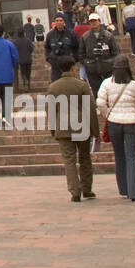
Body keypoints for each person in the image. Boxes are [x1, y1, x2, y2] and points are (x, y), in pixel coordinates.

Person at [47, 56, 99, 201]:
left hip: (63, 127)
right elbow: (91, 108)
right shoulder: (81, 85)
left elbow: (50, 110)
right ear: (73, 68)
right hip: (82, 126)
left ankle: (75, 192)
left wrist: (53, 129)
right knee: (84, 158)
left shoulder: (53, 87)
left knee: (69, 160)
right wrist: (95, 130)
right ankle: (87, 188)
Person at [97, 57, 135, 202]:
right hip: (131, 122)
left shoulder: (107, 83)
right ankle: (134, 192)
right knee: (131, 157)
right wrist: (132, 112)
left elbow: (100, 102)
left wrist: (107, 114)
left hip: (114, 123)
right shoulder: (133, 84)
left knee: (119, 155)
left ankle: (123, 189)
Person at [80, 13, 122, 96]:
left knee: (109, 91)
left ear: (99, 21)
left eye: (95, 21)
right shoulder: (85, 37)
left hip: (107, 69)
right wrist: (87, 63)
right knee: (97, 92)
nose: (93, 23)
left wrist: (110, 63)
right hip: (92, 69)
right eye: (91, 21)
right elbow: (81, 53)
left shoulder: (108, 36)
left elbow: (116, 52)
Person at [44, 14, 81, 83]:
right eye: (57, 21)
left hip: (69, 67)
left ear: (64, 22)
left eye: (61, 20)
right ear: (54, 22)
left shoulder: (71, 34)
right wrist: (49, 58)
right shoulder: (50, 35)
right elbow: (47, 48)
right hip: (56, 66)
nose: (59, 22)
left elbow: (77, 47)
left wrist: (73, 59)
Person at [12, 27, 35, 91]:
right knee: (28, 73)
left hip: (21, 60)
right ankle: (28, 85)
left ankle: (25, 81)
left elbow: (14, 51)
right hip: (28, 59)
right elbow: (31, 49)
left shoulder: (15, 42)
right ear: (24, 33)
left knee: (23, 72)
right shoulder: (28, 40)